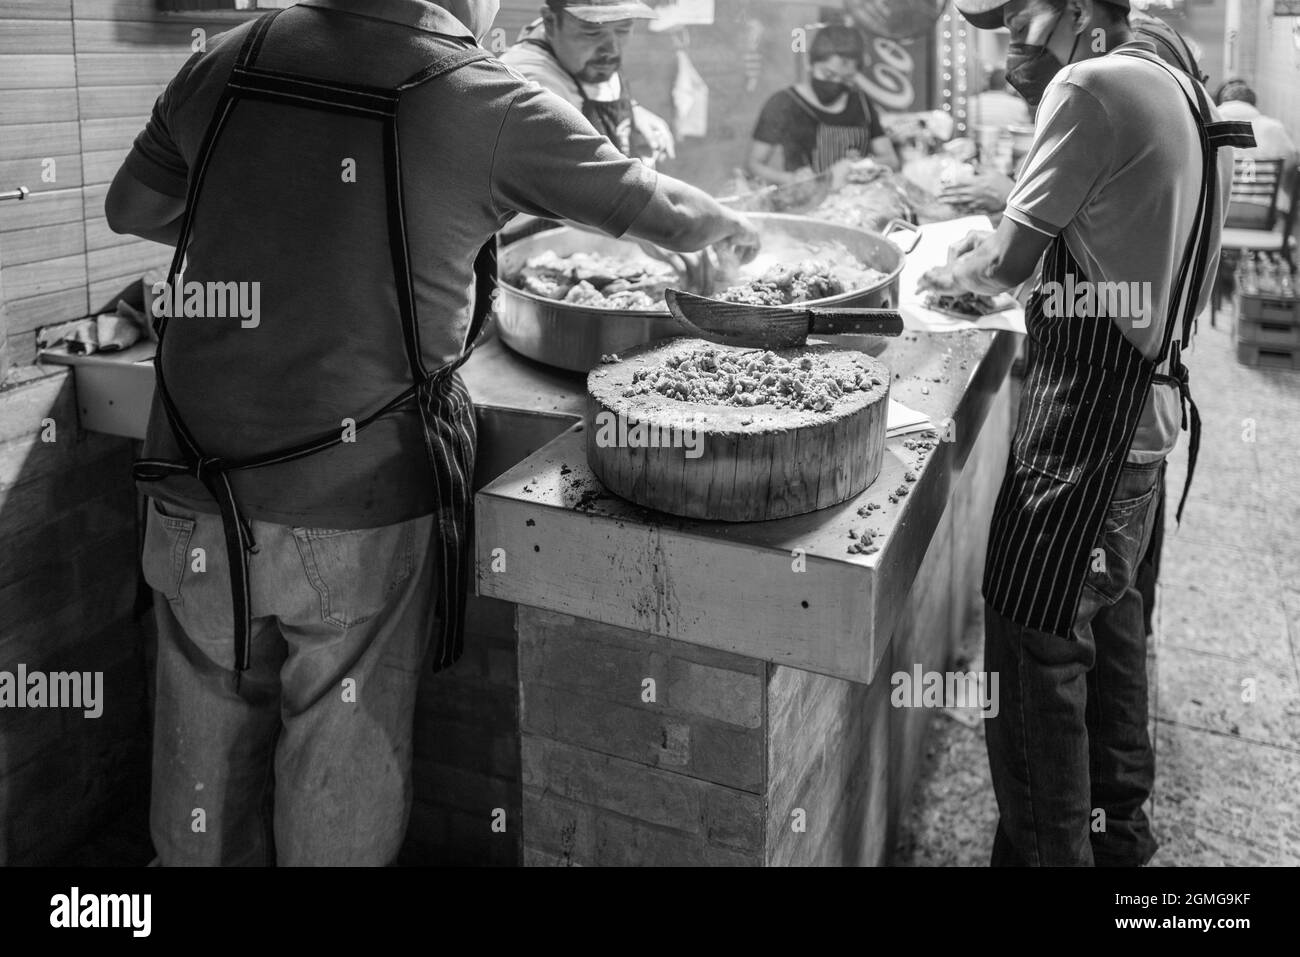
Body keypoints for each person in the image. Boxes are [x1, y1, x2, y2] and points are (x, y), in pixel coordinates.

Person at [105, 0, 758, 867]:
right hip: (352, 499)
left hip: (189, 478)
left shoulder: (228, 55)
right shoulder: (478, 95)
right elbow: (650, 203)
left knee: (201, 737)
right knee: (338, 743)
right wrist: (744, 237)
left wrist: (278, 230)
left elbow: (133, 207)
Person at [921, 0, 1251, 866]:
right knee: (1112, 629)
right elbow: (1123, 208)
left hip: (1089, 434)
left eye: (1017, 15)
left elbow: (1004, 268)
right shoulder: (1162, 57)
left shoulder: (1089, 82)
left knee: (1034, 651)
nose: (1008, 41)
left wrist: (936, 273)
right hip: (1147, 418)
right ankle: (1121, 834)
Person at [939, 9, 1204, 214]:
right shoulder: (1190, 112)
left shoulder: (1094, 92)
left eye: (1021, 27)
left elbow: (1017, 256)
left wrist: (1009, 196)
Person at [500, 0, 675, 166]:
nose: (611, 49)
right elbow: (579, 181)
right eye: (592, 33)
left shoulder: (580, 54)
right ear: (550, 22)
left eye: (623, 29)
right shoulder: (530, 84)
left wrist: (633, 109)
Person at [746, 24, 900, 186]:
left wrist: (856, 167)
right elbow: (753, 165)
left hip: (858, 205)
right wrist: (791, 179)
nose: (836, 83)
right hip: (807, 202)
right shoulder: (783, 103)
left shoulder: (861, 102)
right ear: (809, 63)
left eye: (846, 79)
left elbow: (891, 160)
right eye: (828, 74)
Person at [969, 65, 1031, 131]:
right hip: (1010, 141)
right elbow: (1026, 130)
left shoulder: (972, 101)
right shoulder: (1019, 104)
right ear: (1008, 85)